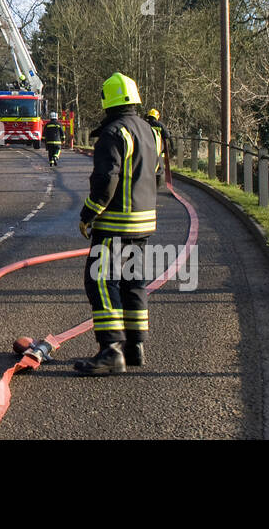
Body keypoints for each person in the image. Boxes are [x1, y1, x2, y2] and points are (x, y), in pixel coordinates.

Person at [72, 72, 159, 375]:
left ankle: (111, 350)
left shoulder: (113, 133)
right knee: (133, 281)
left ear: (107, 100)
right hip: (143, 223)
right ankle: (135, 346)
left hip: (115, 224)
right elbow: (155, 174)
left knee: (100, 281)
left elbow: (106, 179)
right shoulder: (150, 131)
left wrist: (88, 213)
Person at [144, 107, 168, 190]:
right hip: (158, 150)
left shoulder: (144, 124)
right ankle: (157, 185)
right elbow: (167, 135)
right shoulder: (160, 125)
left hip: (146, 149)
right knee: (159, 168)